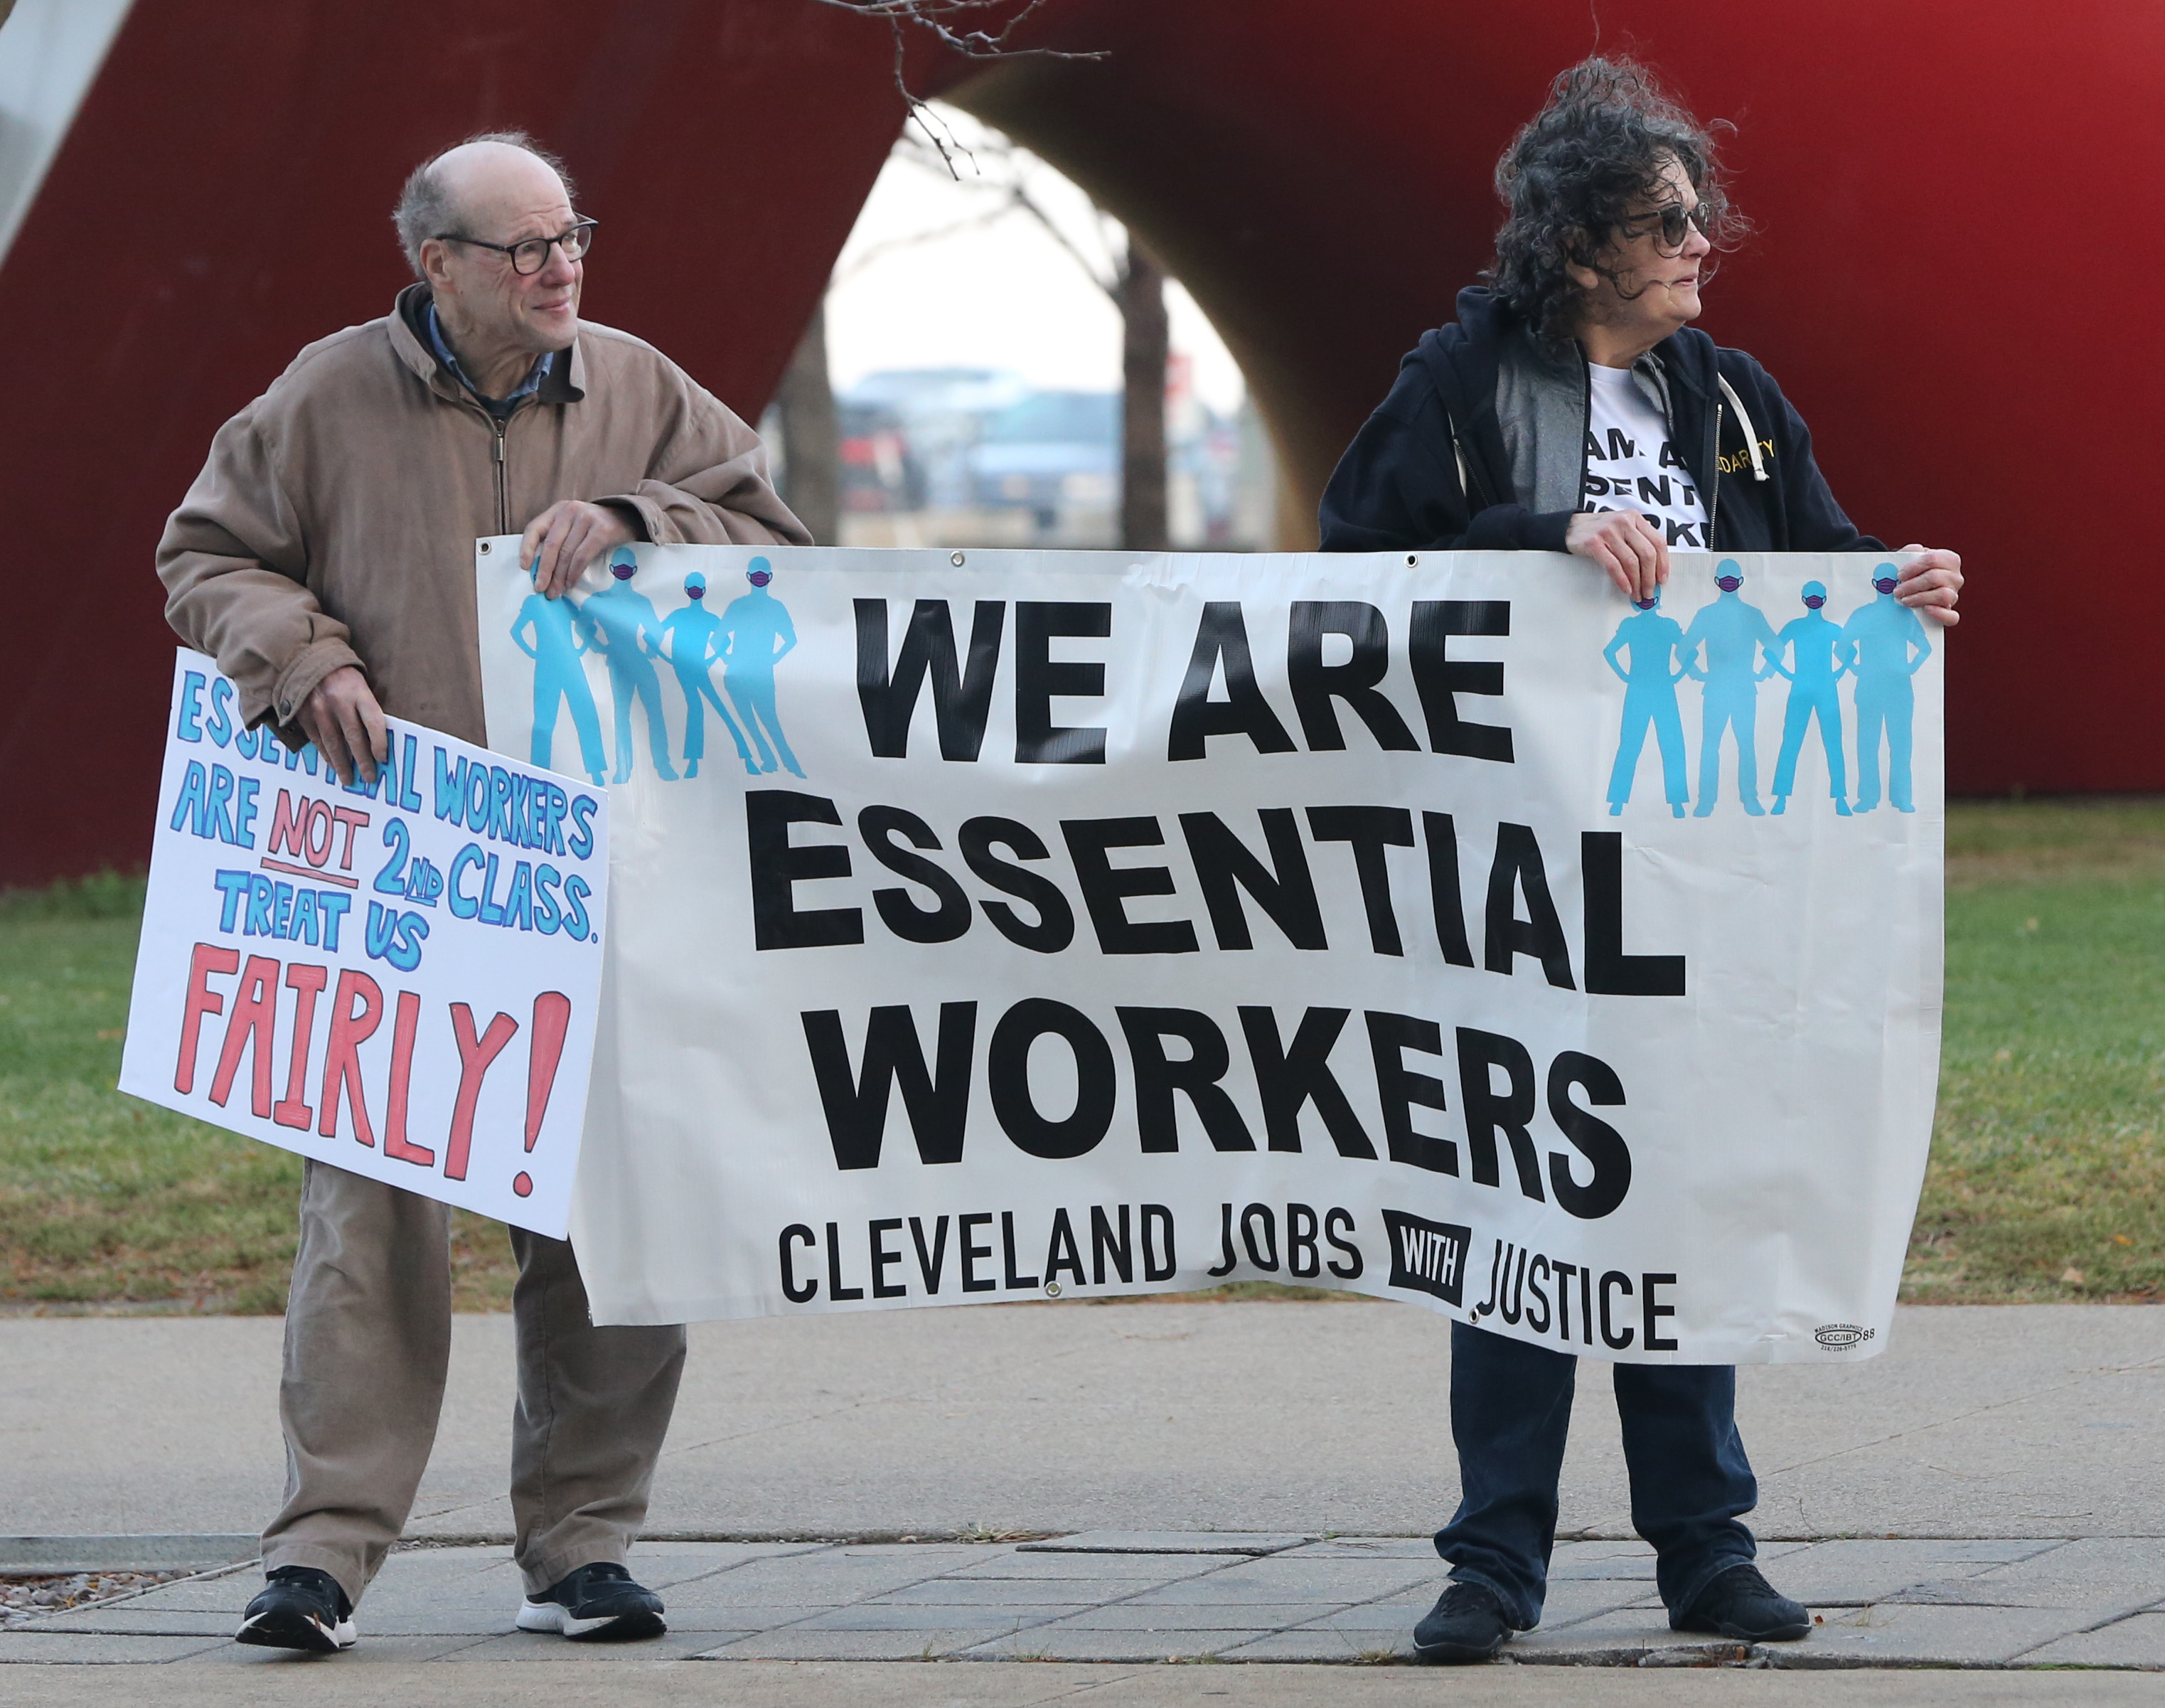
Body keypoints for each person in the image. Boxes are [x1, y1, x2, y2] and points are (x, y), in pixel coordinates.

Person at [1317, 58, 1962, 1664]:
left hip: (1703, 876)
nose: (1698, 243)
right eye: (1663, 220)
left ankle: (1706, 1551)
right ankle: (1495, 1564)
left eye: (1698, 214)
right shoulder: (1462, 386)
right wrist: (1540, 542)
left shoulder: (1730, 398)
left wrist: (1905, 580)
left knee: (1678, 1195)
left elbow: (1814, 564)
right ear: (1578, 240)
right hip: (1516, 891)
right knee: (1519, 1204)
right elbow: (1355, 565)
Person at [156, 132, 807, 1654]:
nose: (560, 266)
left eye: (572, 235)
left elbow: (775, 548)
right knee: (367, 1223)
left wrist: (646, 521)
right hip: (398, 871)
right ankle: (320, 1552)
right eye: (523, 248)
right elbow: (206, 557)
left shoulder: (643, 389)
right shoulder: (322, 396)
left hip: (602, 875)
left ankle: (582, 1548)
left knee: (603, 1221)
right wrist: (301, 657)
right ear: (433, 265)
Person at [1677, 560, 1779, 817]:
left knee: (1731, 745)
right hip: (1724, 688)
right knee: (1724, 745)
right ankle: (1713, 802)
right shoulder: (1720, 614)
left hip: (1733, 688)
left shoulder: (1731, 614)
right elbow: (1684, 648)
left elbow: (1776, 647)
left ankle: (1738, 800)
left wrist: (1696, 672)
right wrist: (1696, 672)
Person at [583, 546, 680, 783]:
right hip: (621, 663)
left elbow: (655, 632)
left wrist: (648, 646)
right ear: (615, 570)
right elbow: (582, 625)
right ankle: (627, 768)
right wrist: (599, 646)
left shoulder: (637, 601)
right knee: (625, 716)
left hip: (633, 661)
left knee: (649, 713)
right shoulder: (603, 599)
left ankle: (658, 765)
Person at [1844, 562, 1933, 813]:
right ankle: (1869, 798)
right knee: (1869, 744)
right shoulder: (1862, 615)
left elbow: (1925, 647)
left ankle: (1901, 798)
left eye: (1888, 581)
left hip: (1898, 689)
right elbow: (1842, 645)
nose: (1885, 585)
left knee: (1900, 745)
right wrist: (1855, 667)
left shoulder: (1904, 616)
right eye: (1882, 581)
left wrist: (1909, 668)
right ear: (1874, 584)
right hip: (1871, 688)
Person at [658, 569, 758, 779]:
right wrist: (663, 655)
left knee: (718, 710)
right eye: (693, 588)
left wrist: (713, 660)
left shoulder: (707, 618)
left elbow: (723, 642)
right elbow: (655, 634)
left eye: (697, 588)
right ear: (689, 590)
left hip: (698, 669)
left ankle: (746, 758)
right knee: (699, 709)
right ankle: (695, 763)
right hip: (684, 669)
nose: (695, 591)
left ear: (702, 591)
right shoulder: (680, 615)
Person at [1768, 580, 1853, 816]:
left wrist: (1840, 670)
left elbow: (1850, 650)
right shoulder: (1797, 627)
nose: (1814, 600)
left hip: (1822, 688)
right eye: (1812, 596)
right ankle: (1781, 798)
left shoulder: (1827, 629)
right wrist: (1789, 674)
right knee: (1793, 742)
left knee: (1832, 743)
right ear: (1806, 599)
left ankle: (1840, 798)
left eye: (1817, 596)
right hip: (1806, 688)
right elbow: (1771, 650)